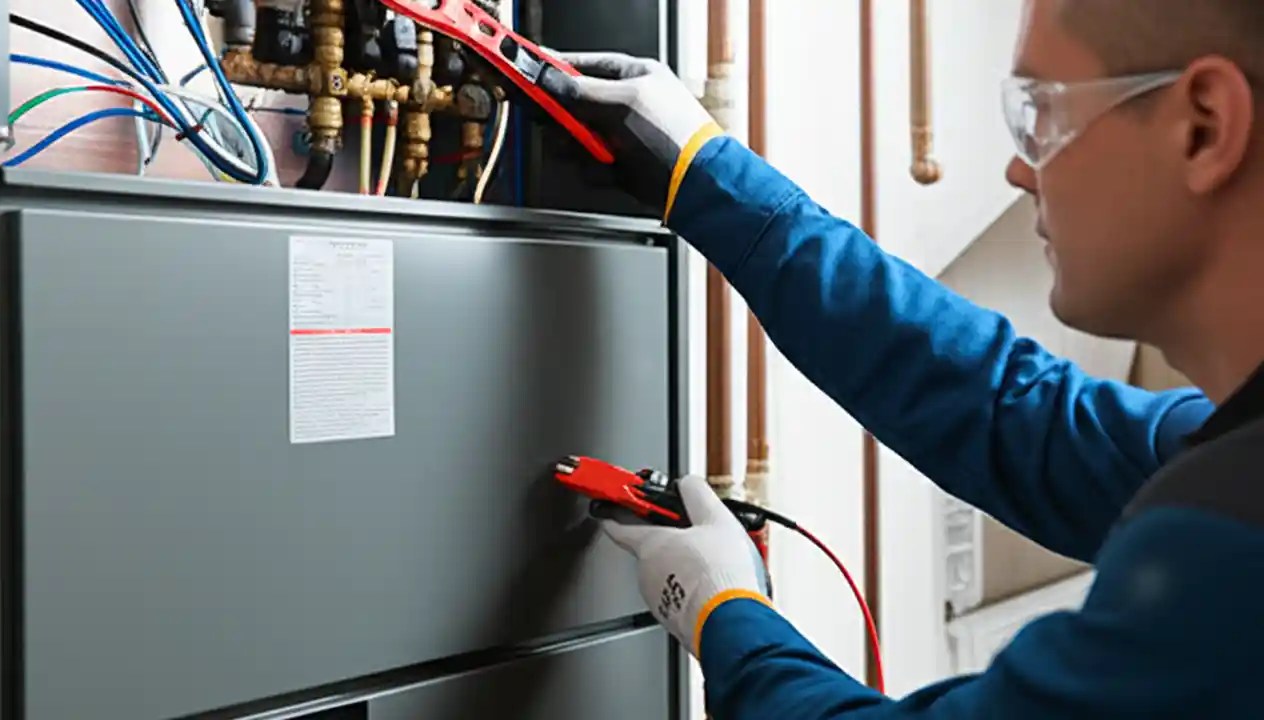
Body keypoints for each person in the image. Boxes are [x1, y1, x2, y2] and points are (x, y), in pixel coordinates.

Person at [528, 0, 1264, 717]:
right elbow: (1012, 411)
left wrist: (729, 619)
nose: (1019, 170)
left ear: (1202, 127)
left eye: (1043, 114)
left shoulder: (1226, 558)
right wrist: (703, 170)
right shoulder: (1229, 454)